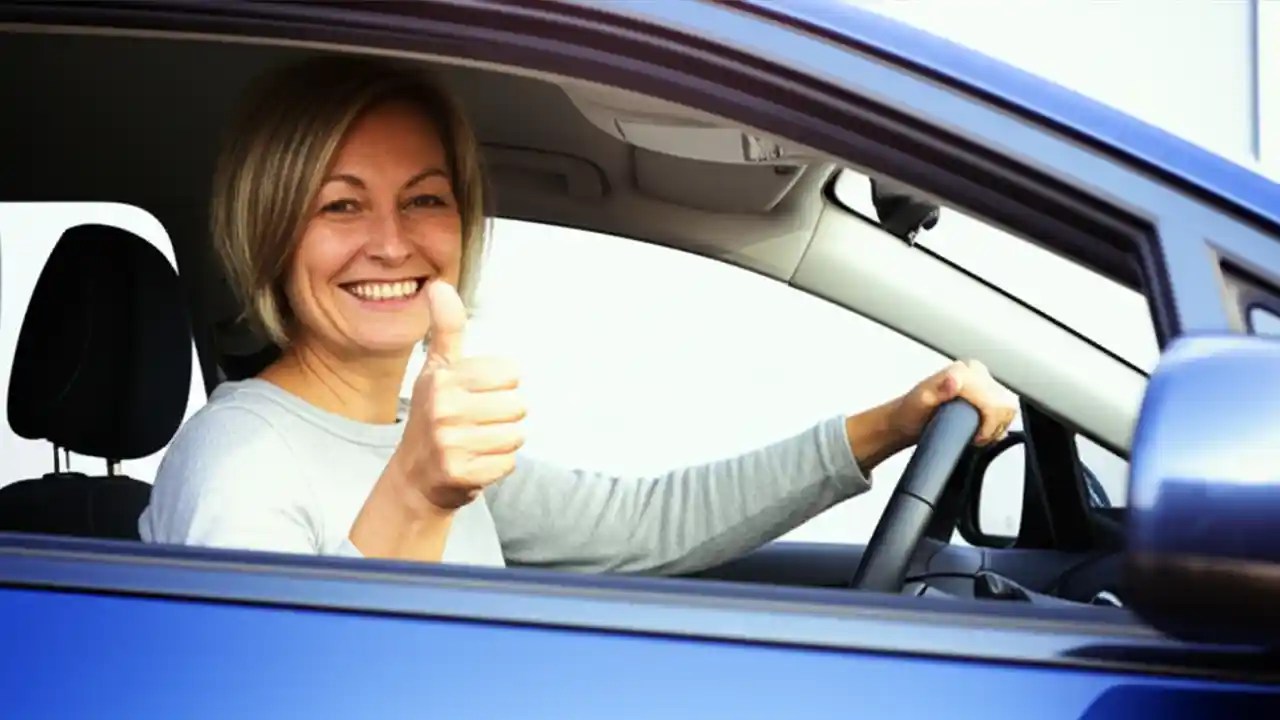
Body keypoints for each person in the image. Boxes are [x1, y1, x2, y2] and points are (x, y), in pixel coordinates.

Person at [139, 56, 1018, 573]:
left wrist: (892, 423)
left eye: (426, 199)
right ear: (271, 230)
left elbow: (642, 524)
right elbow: (274, 689)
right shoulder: (237, 460)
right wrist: (416, 492)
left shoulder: (415, 432)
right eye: (340, 206)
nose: (391, 241)